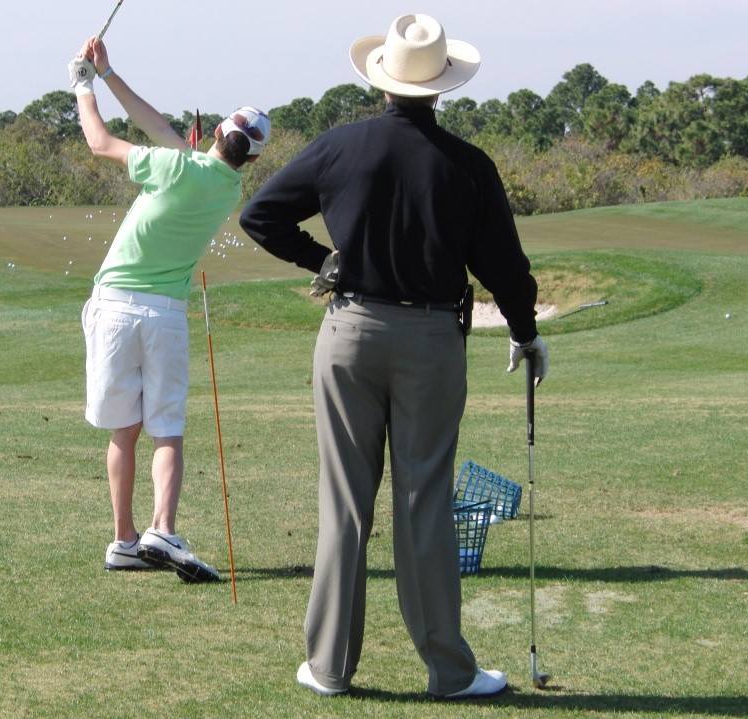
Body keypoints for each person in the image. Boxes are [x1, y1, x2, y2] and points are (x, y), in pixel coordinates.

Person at [239, 13, 549, 698]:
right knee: (424, 501)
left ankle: (327, 667)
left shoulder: (340, 146)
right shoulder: (467, 164)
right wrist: (524, 332)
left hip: (348, 333)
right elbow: (505, 266)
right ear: (440, 87)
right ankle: (448, 670)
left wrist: (325, 260)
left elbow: (259, 215)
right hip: (433, 340)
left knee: (345, 503)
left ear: (381, 81)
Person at [68, 36, 271, 583]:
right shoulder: (224, 187)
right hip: (163, 316)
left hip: (112, 309)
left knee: (123, 431)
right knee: (166, 430)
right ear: (249, 158)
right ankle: (162, 527)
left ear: (219, 133)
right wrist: (110, 75)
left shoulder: (179, 168)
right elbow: (157, 126)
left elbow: (100, 142)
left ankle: (124, 540)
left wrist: (83, 87)